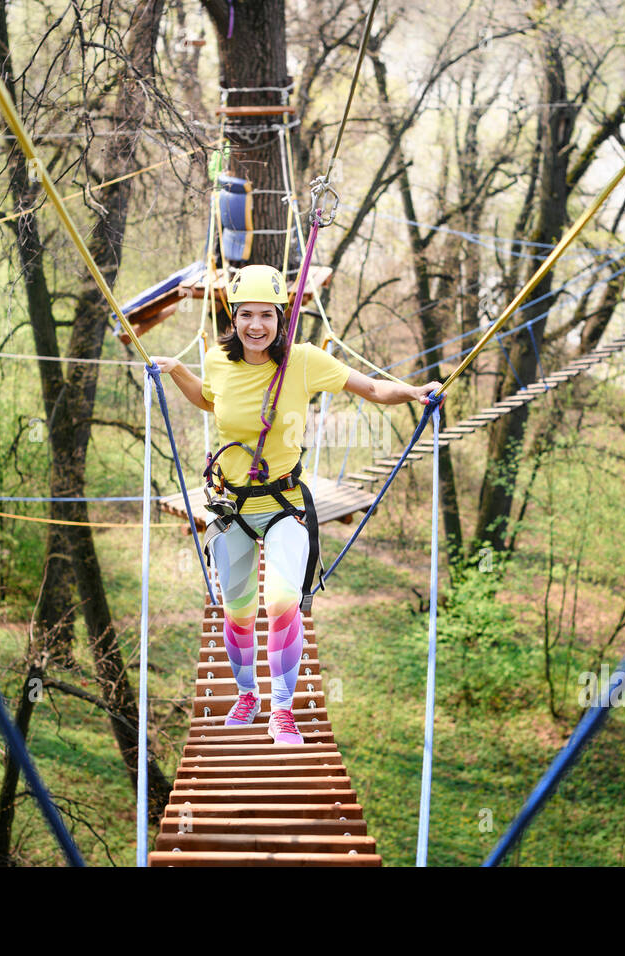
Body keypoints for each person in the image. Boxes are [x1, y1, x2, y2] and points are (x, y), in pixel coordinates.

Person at [151, 264, 441, 745]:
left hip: (284, 503)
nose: (257, 326)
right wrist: (178, 369)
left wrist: (413, 391)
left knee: (282, 605)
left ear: (281, 318)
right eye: (247, 315)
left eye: (267, 315)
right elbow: (209, 400)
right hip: (231, 508)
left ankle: (281, 710)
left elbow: (370, 388)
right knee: (237, 612)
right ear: (233, 315)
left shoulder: (304, 361)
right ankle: (248, 694)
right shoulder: (217, 361)